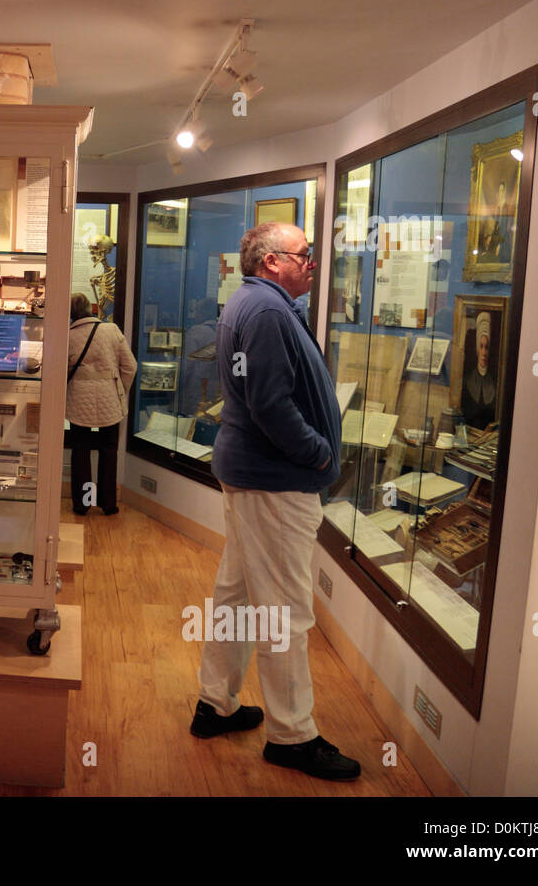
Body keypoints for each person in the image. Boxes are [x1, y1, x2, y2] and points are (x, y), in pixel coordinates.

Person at [190, 222, 360, 781]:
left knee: (237, 595)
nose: (311, 262)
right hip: (275, 481)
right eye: (303, 254)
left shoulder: (260, 303)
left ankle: (216, 703)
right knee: (285, 609)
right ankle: (292, 735)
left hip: (257, 477)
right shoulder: (265, 311)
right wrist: (315, 453)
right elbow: (270, 402)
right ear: (269, 262)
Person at [65, 292, 136, 516]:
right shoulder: (111, 330)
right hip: (109, 399)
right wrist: (119, 388)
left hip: (79, 400)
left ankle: (82, 504)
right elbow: (130, 366)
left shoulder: (68, 336)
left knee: (81, 451)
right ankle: (108, 504)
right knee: (109, 450)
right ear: (91, 309)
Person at [461, 311, 497, 428]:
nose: (483, 353)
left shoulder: (495, 382)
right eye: (481, 346)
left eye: (486, 347)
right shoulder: (467, 381)